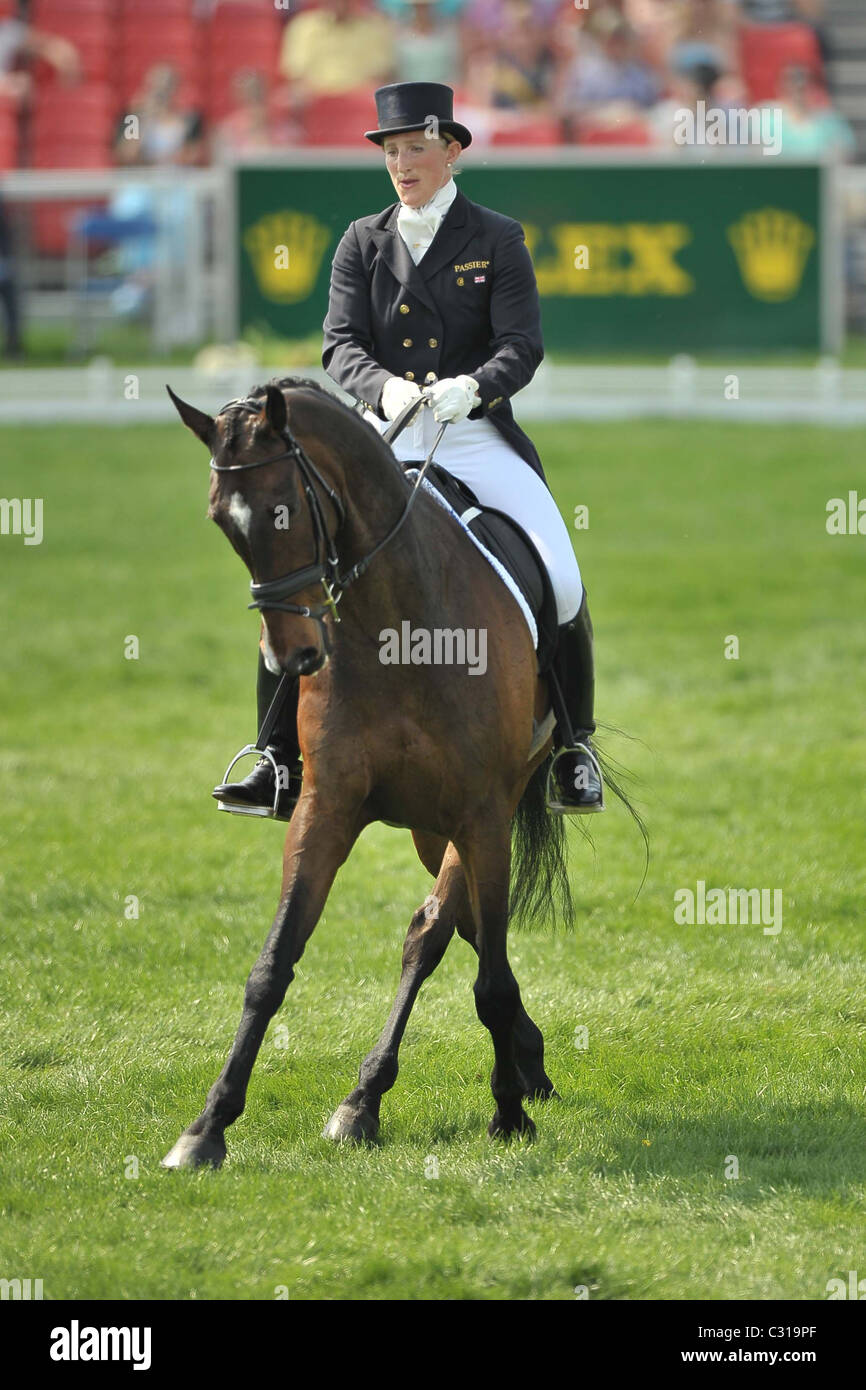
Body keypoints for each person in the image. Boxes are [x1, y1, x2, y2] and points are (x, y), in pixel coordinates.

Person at [214, 81, 604, 819]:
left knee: (562, 571)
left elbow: (523, 344)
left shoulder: (497, 238)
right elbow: (339, 345)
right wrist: (385, 389)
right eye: (391, 152)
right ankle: (273, 757)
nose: (402, 164)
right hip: (384, 441)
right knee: (298, 578)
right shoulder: (363, 239)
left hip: (476, 434)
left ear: (451, 152)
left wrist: (475, 387)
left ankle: (573, 749)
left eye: (415, 149)